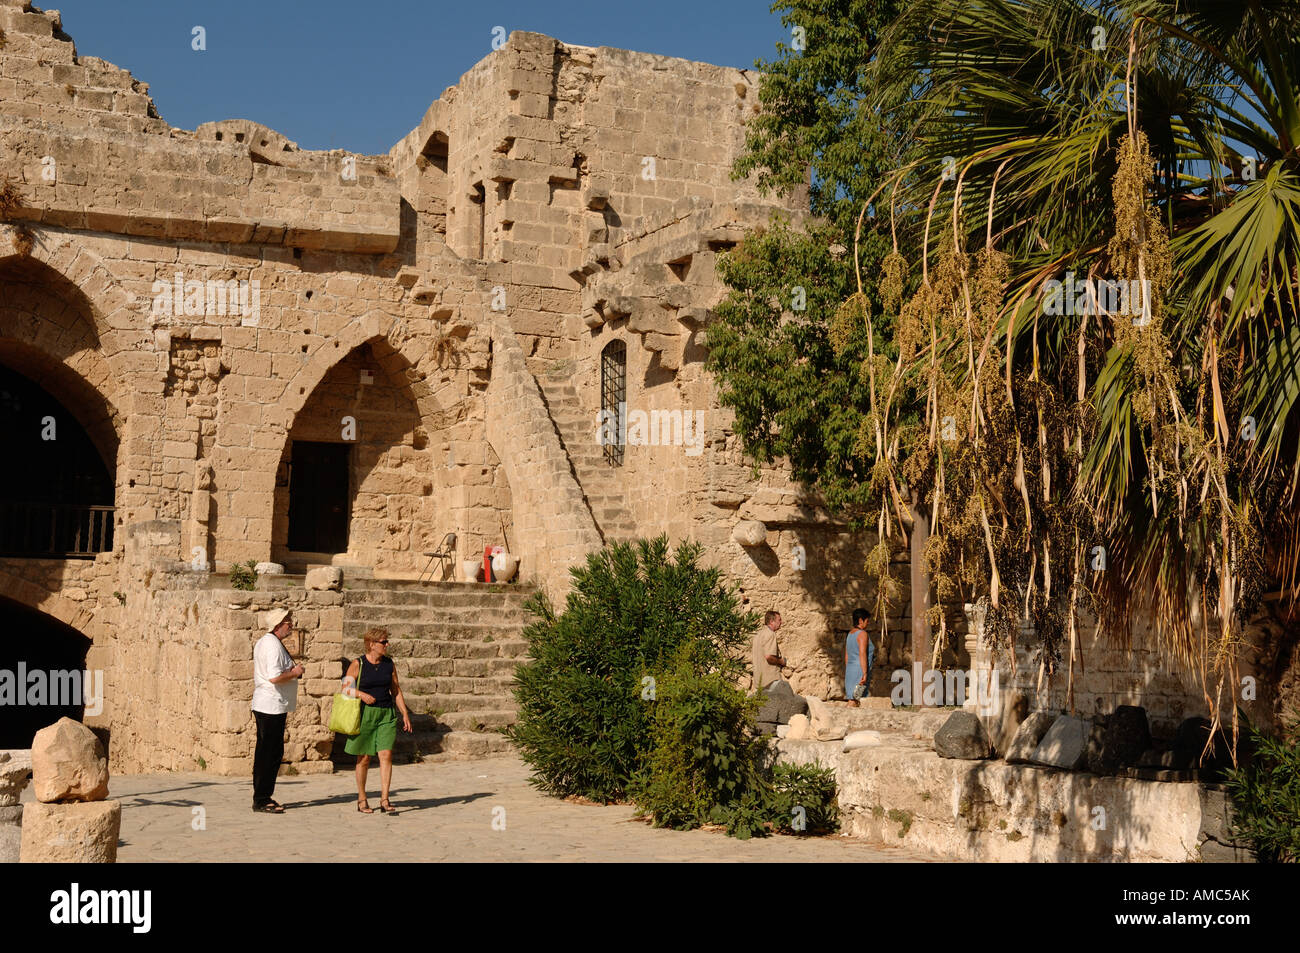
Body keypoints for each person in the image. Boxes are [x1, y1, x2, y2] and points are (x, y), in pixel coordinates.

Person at [343, 627, 412, 814]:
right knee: (364, 758)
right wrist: (361, 694)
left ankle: (384, 799)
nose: (387, 644)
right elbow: (345, 689)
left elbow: (395, 690)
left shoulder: (389, 664)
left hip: (386, 714)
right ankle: (362, 798)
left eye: (386, 641)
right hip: (365, 714)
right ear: (371, 644)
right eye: (383, 642)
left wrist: (404, 713)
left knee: (386, 755)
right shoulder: (358, 664)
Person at [251, 607, 303, 813]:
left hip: (271, 704)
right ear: (278, 625)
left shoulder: (268, 642)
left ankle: (263, 795)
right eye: (287, 620)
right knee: (270, 753)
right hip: (271, 705)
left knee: (268, 751)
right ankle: (262, 798)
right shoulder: (271, 645)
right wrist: (295, 673)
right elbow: (274, 677)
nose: (291, 623)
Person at [845, 608, 875, 706]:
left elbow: (847, 655)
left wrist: (849, 671)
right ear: (861, 620)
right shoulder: (862, 634)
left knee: (853, 699)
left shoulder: (850, 634)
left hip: (850, 670)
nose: (868, 623)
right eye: (867, 621)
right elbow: (862, 654)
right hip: (860, 670)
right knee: (855, 700)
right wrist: (864, 673)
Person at [752, 610, 788, 691]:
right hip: (770, 680)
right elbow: (769, 657)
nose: (781, 622)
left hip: (759, 681)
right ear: (772, 621)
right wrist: (782, 661)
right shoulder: (770, 634)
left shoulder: (758, 635)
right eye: (779, 620)